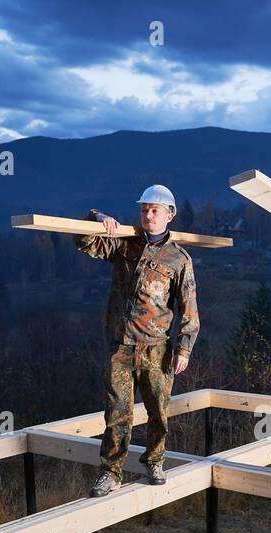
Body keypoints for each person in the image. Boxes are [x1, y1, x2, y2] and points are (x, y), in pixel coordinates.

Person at [75, 184, 199, 497]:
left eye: (155, 209)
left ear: (170, 215)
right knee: (117, 412)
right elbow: (84, 240)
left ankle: (155, 460)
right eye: (144, 208)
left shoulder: (178, 259)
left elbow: (188, 307)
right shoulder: (124, 246)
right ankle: (111, 472)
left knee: (158, 410)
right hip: (120, 345)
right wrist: (97, 217)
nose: (148, 214)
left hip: (156, 348)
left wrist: (184, 348)